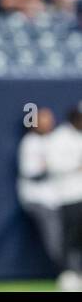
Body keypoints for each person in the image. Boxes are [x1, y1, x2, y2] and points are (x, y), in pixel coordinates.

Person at [18, 106, 65, 272]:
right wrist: (55, 165)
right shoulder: (30, 142)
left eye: (49, 118)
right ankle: (66, 271)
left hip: (58, 198)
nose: (48, 122)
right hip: (37, 199)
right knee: (54, 238)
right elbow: (31, 172)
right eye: (43, 118)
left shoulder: (56, 139)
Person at [47, 103, 82, 283]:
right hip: (68, 196)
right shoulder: (59, 138)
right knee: (70, 237)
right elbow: (52, 165)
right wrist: (76, 165)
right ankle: (69, 273)